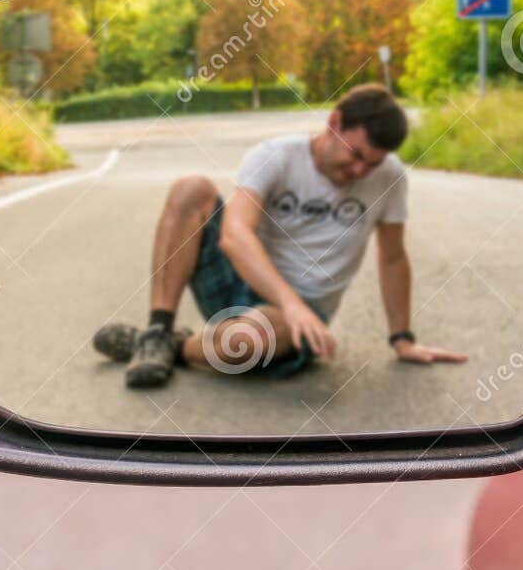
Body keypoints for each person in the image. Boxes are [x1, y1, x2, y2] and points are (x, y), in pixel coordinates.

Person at [93, 83, 468, 388]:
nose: (360, 170)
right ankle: (158, 328)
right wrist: (288, 299)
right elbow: (234, 233)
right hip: (243, 281)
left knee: (247, 341)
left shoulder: (388, 178)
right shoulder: (277, 156)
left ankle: (175, 347)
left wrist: (401, 338)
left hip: (297, 316)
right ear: (335, 122)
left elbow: (392, 257)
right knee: (191, 188)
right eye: (356, 155)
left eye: (372, 164)